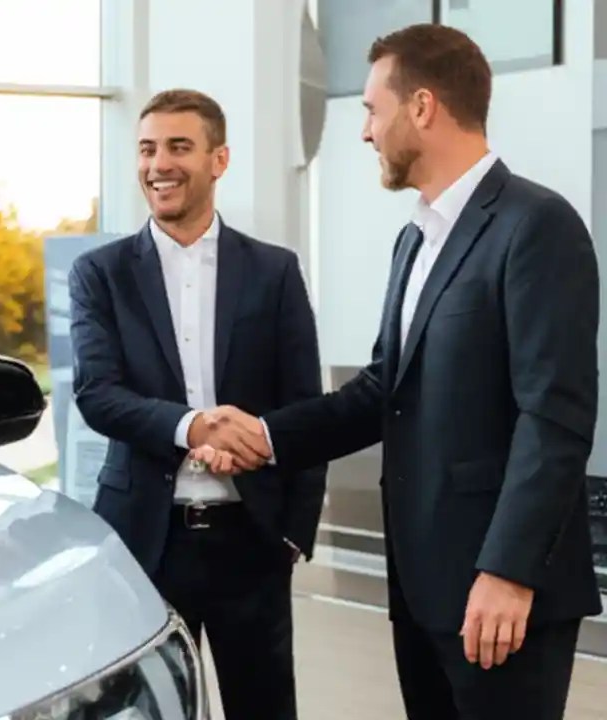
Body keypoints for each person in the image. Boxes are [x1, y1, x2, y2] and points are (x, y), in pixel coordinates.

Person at [188, 23, 603, 720]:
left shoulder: (537, 226)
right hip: (423, 589)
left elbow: (554, 418)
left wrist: (507, 570)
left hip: (499, 595)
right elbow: (383, 390)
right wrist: (264, 434)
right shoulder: (414, 238)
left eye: (372, 110)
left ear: (422, 107)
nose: (364, 133)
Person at [67, 88, 326, 720]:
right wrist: (193, 426)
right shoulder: (99, 273)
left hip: (252, 544)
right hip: (144, 545)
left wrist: (294, 532)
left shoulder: (274, 271)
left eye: (179, 147)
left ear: (219, 159)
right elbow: (98, 395)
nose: (160, 164)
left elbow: (304, 405)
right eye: (148, 148)